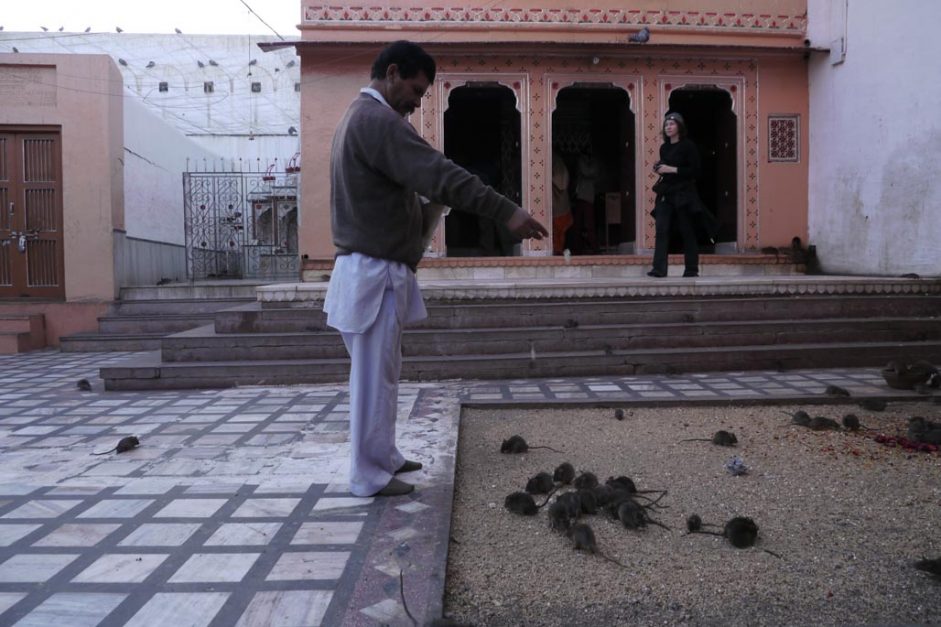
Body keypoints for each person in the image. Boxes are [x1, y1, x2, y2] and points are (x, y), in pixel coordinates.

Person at [323, 41, 548, 498]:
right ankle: (367, 476)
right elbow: (441, 174)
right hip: (372, 271)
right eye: (415, 90)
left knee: (383, 376)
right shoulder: (378, 121)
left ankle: (383, 456)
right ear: (391, 73)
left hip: (370, 269)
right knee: (371, 381)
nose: (416, 102)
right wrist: (506, 211)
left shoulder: (360, 118)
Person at [648, 112, 704, 278]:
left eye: (672, 124)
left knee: (687, 230)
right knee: (661, 228)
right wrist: (660, 168)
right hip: (667, 192)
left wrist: (671, 169)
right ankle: (659, 269)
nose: (668, 127)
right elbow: (666, 169)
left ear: (680, 127)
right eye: (666, 125)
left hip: (683, 193)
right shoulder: (664, 148)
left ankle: (691, 269)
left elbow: (695, 171)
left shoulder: (688, 146)